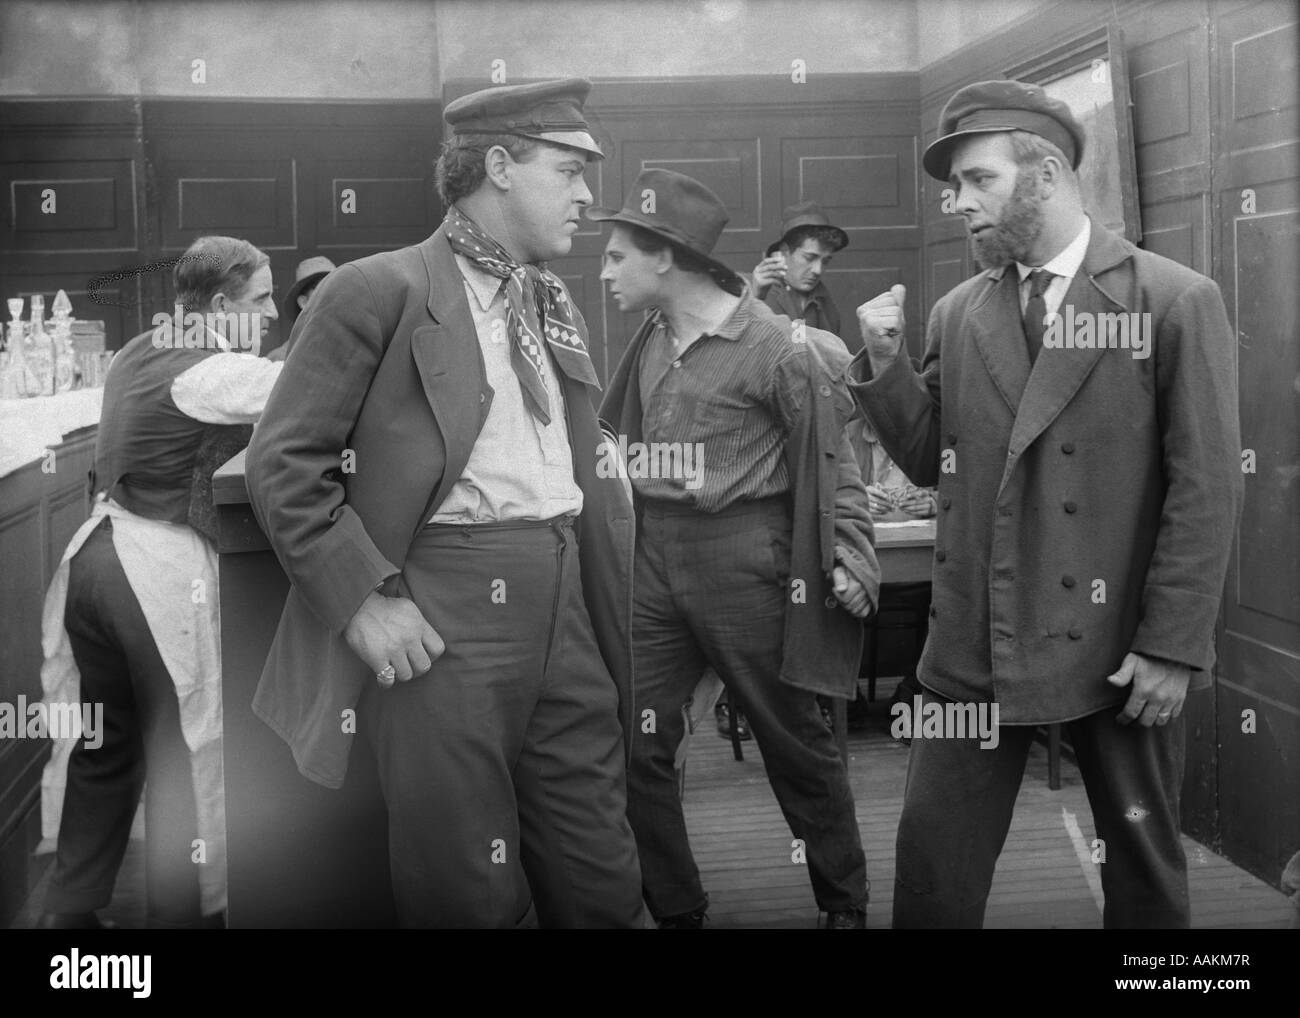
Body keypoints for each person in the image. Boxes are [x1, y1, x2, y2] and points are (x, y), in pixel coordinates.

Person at [243, 78, 645, 929]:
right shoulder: (376, 288)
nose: (587, 196)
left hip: (564, 597)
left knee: (600, 870)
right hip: (446, 607)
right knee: (466, 887)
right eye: (570, 171)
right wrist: (362, 603)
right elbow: (285, 464)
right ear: (498, 166)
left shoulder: (550, 298)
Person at [851, 79, 1242, 928]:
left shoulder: (1169, 299)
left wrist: (1173, 646)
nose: (957, 204)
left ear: (1049, 173)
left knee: (1142, 873)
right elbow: (930, 459)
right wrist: (881, 363)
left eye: (978, 181)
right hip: (972, 644)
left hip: (1115, 646)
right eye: (952, 188)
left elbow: (1206, 488)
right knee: (932, 865)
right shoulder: (960, 312)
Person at [594, 167, 880, 929]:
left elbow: (831, 457)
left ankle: (843, 903)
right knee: (636, 741)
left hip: (747, 560)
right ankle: (678, 909)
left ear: (665, 256)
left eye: (618, 254)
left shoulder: (779, 347)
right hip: (653, 560)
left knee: (794, 741)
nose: (605, 270)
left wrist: (852, 551)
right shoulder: (653, 336)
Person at [39, 235, 284, 929]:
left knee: (106, 745)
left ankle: (70, 909)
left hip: (91, 558)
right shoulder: (209, 371)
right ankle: (186, 917)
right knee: (187, 750)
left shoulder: (136, 350)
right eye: (261, 298)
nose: (269, 314)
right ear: (217, 304)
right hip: (152, 574)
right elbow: (301, 388)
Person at [751, 200, 850, 346]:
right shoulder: (757, 292)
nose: (818, 270)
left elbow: (823, 354)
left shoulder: (824, 299)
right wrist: (755, 298)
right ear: (784, 252)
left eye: (825, 261)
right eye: (809, 258)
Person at [267, 255, 336, 361]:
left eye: (335, 288)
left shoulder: (357, 347)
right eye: (322, 289)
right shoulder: (281, 359)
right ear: (303, 302)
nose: (332, 296)